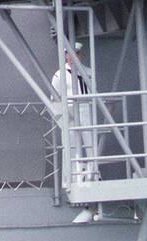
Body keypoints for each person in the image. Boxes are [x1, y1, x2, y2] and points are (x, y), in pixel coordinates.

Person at [52, 44, 97, 184]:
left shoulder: (88, 72)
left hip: (85, 109)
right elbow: (54, 99)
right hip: (69, 111)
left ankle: (94, 175)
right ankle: (70, 177)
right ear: (66, 55)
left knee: (91, 144)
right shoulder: (59, 75)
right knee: (70, 145)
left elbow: (93, 93)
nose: (74, 56)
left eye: (77, 52)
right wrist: (61, 120)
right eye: (71, 53)